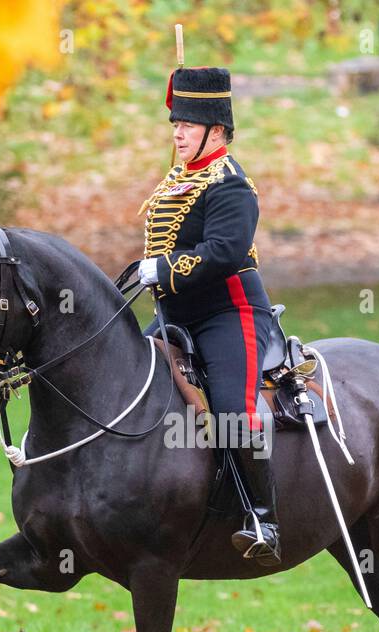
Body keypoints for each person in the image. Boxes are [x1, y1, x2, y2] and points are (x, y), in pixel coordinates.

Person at [136, 66, 280, 565]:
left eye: (188, 126)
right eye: (175, 124)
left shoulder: (231, 184)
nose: (177, 134)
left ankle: (262, 517)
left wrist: (164, 269)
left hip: (228, 311)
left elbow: (224, 251)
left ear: (215, 131)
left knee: (233, 410)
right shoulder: (179, 178)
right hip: (174, 314)